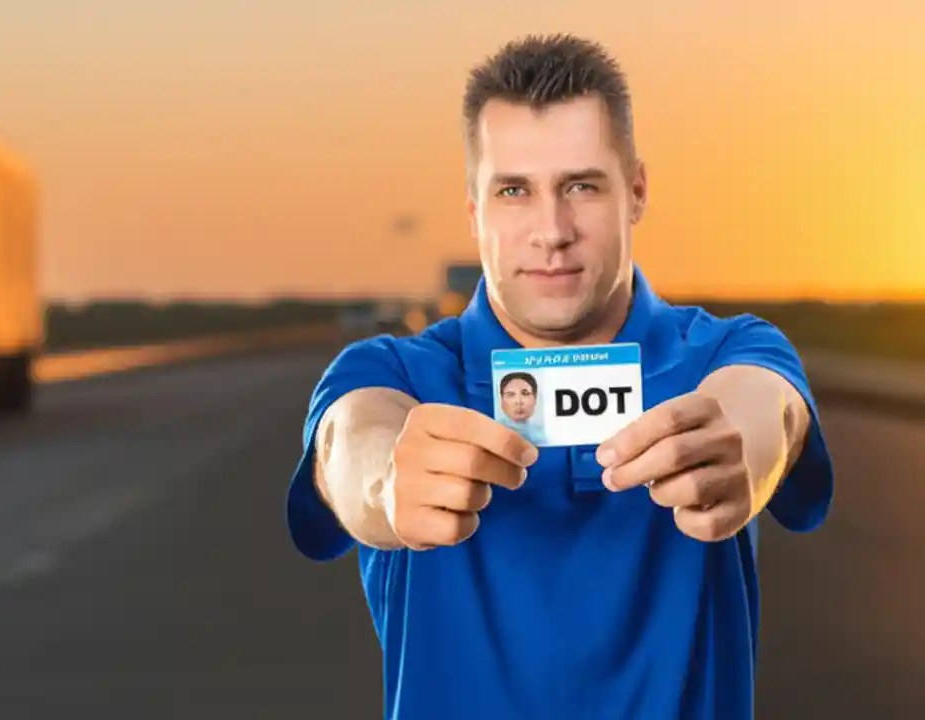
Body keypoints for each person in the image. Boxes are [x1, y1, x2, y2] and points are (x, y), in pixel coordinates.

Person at [285, 33, 834, 720]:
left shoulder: (726, 353)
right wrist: (386, 482)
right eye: (514, 190)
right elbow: (348, 442)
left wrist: (744, 451)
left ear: (636, 191)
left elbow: (769, 409)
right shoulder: (394, 372)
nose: (552, 229)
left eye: (581, 186)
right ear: (475, 211)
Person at [495, 371, 547, 445]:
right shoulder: (493, 431)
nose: (518, 401)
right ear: (501, 400)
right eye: (511, 395)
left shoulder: (542, 435)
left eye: (525, 394)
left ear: (535, 398)